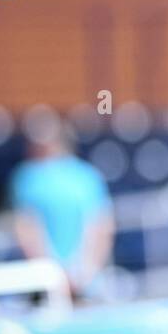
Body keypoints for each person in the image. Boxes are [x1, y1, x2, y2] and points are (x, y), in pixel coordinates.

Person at [8, 109, 114, 300]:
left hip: (84, 279)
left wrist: (87, 270)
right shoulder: (26, 178)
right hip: (47, 280)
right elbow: (27, 230)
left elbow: (100, 226)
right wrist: (54, 273)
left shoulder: (86, 176)